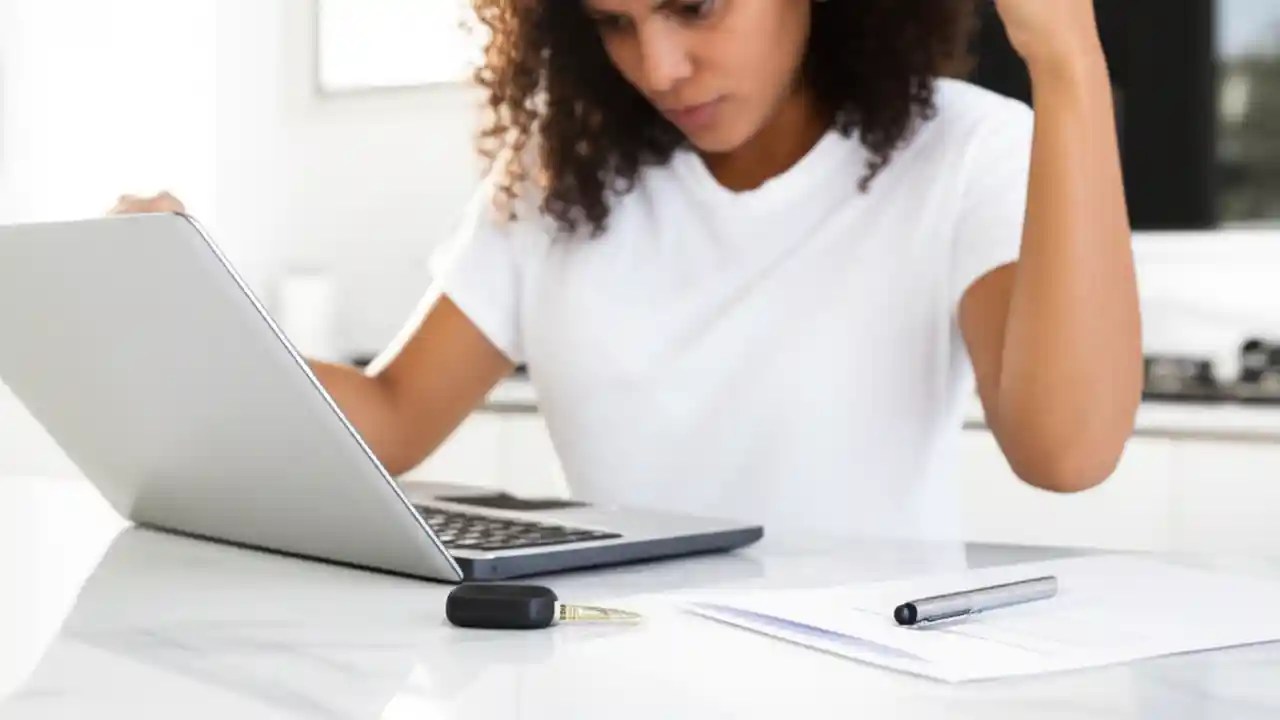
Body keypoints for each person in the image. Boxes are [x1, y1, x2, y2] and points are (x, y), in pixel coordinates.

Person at [112, 0, 1142, 541]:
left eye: (693, 6)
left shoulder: (963, 151)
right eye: (613, 23)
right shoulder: (559, 176)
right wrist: (194, 301)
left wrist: (1066, 58)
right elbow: (385, 419)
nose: (657, 68)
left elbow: (1065, 453)